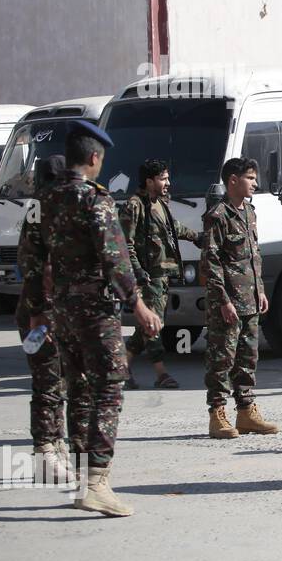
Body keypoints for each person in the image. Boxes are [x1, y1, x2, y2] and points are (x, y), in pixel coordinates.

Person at [18, 121, 162, 517]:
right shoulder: (94, 200)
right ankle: (97, 480)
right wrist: (138, 305)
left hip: (61, 312)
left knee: (79, 390)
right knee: (110, 387)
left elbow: (32, 264)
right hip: (96, 312)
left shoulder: (44, 201)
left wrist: (36, 313)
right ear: (95, 158)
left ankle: (85, 481)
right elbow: (114, 258)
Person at [202, 157, 278, 439]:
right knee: (222, 359)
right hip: (228, 302)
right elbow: (211, 262)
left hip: (250, 299)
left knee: (248, 357)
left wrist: (260, 290)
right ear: (233, 181)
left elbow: (252, 255)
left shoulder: (249, 212)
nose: (255, 183)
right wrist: (223, 301)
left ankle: (246, 412)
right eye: (250, 178)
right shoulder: (218, 215)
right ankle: (217, 414)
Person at [16, 154, 73, 483]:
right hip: (40, 312)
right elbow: (33, 267)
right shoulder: (40, 211)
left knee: (60, 381)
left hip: (58, 310)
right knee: (47, 382)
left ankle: (58, 443)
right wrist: (40, 312)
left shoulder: (53, 210)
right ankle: (45, 451)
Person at [120, 158, 201, 390]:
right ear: (149, 181)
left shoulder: (160, 203)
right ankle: (161, 373)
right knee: (153, 325)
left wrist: (196, 237)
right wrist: (137, 271)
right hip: (148, 275)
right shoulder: (135, 206)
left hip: (163, 275)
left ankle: (122, 369)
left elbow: (172, 227)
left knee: (149, 324)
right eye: (163, 178)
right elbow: (126, 244)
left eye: (167, 178)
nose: (167, 183)